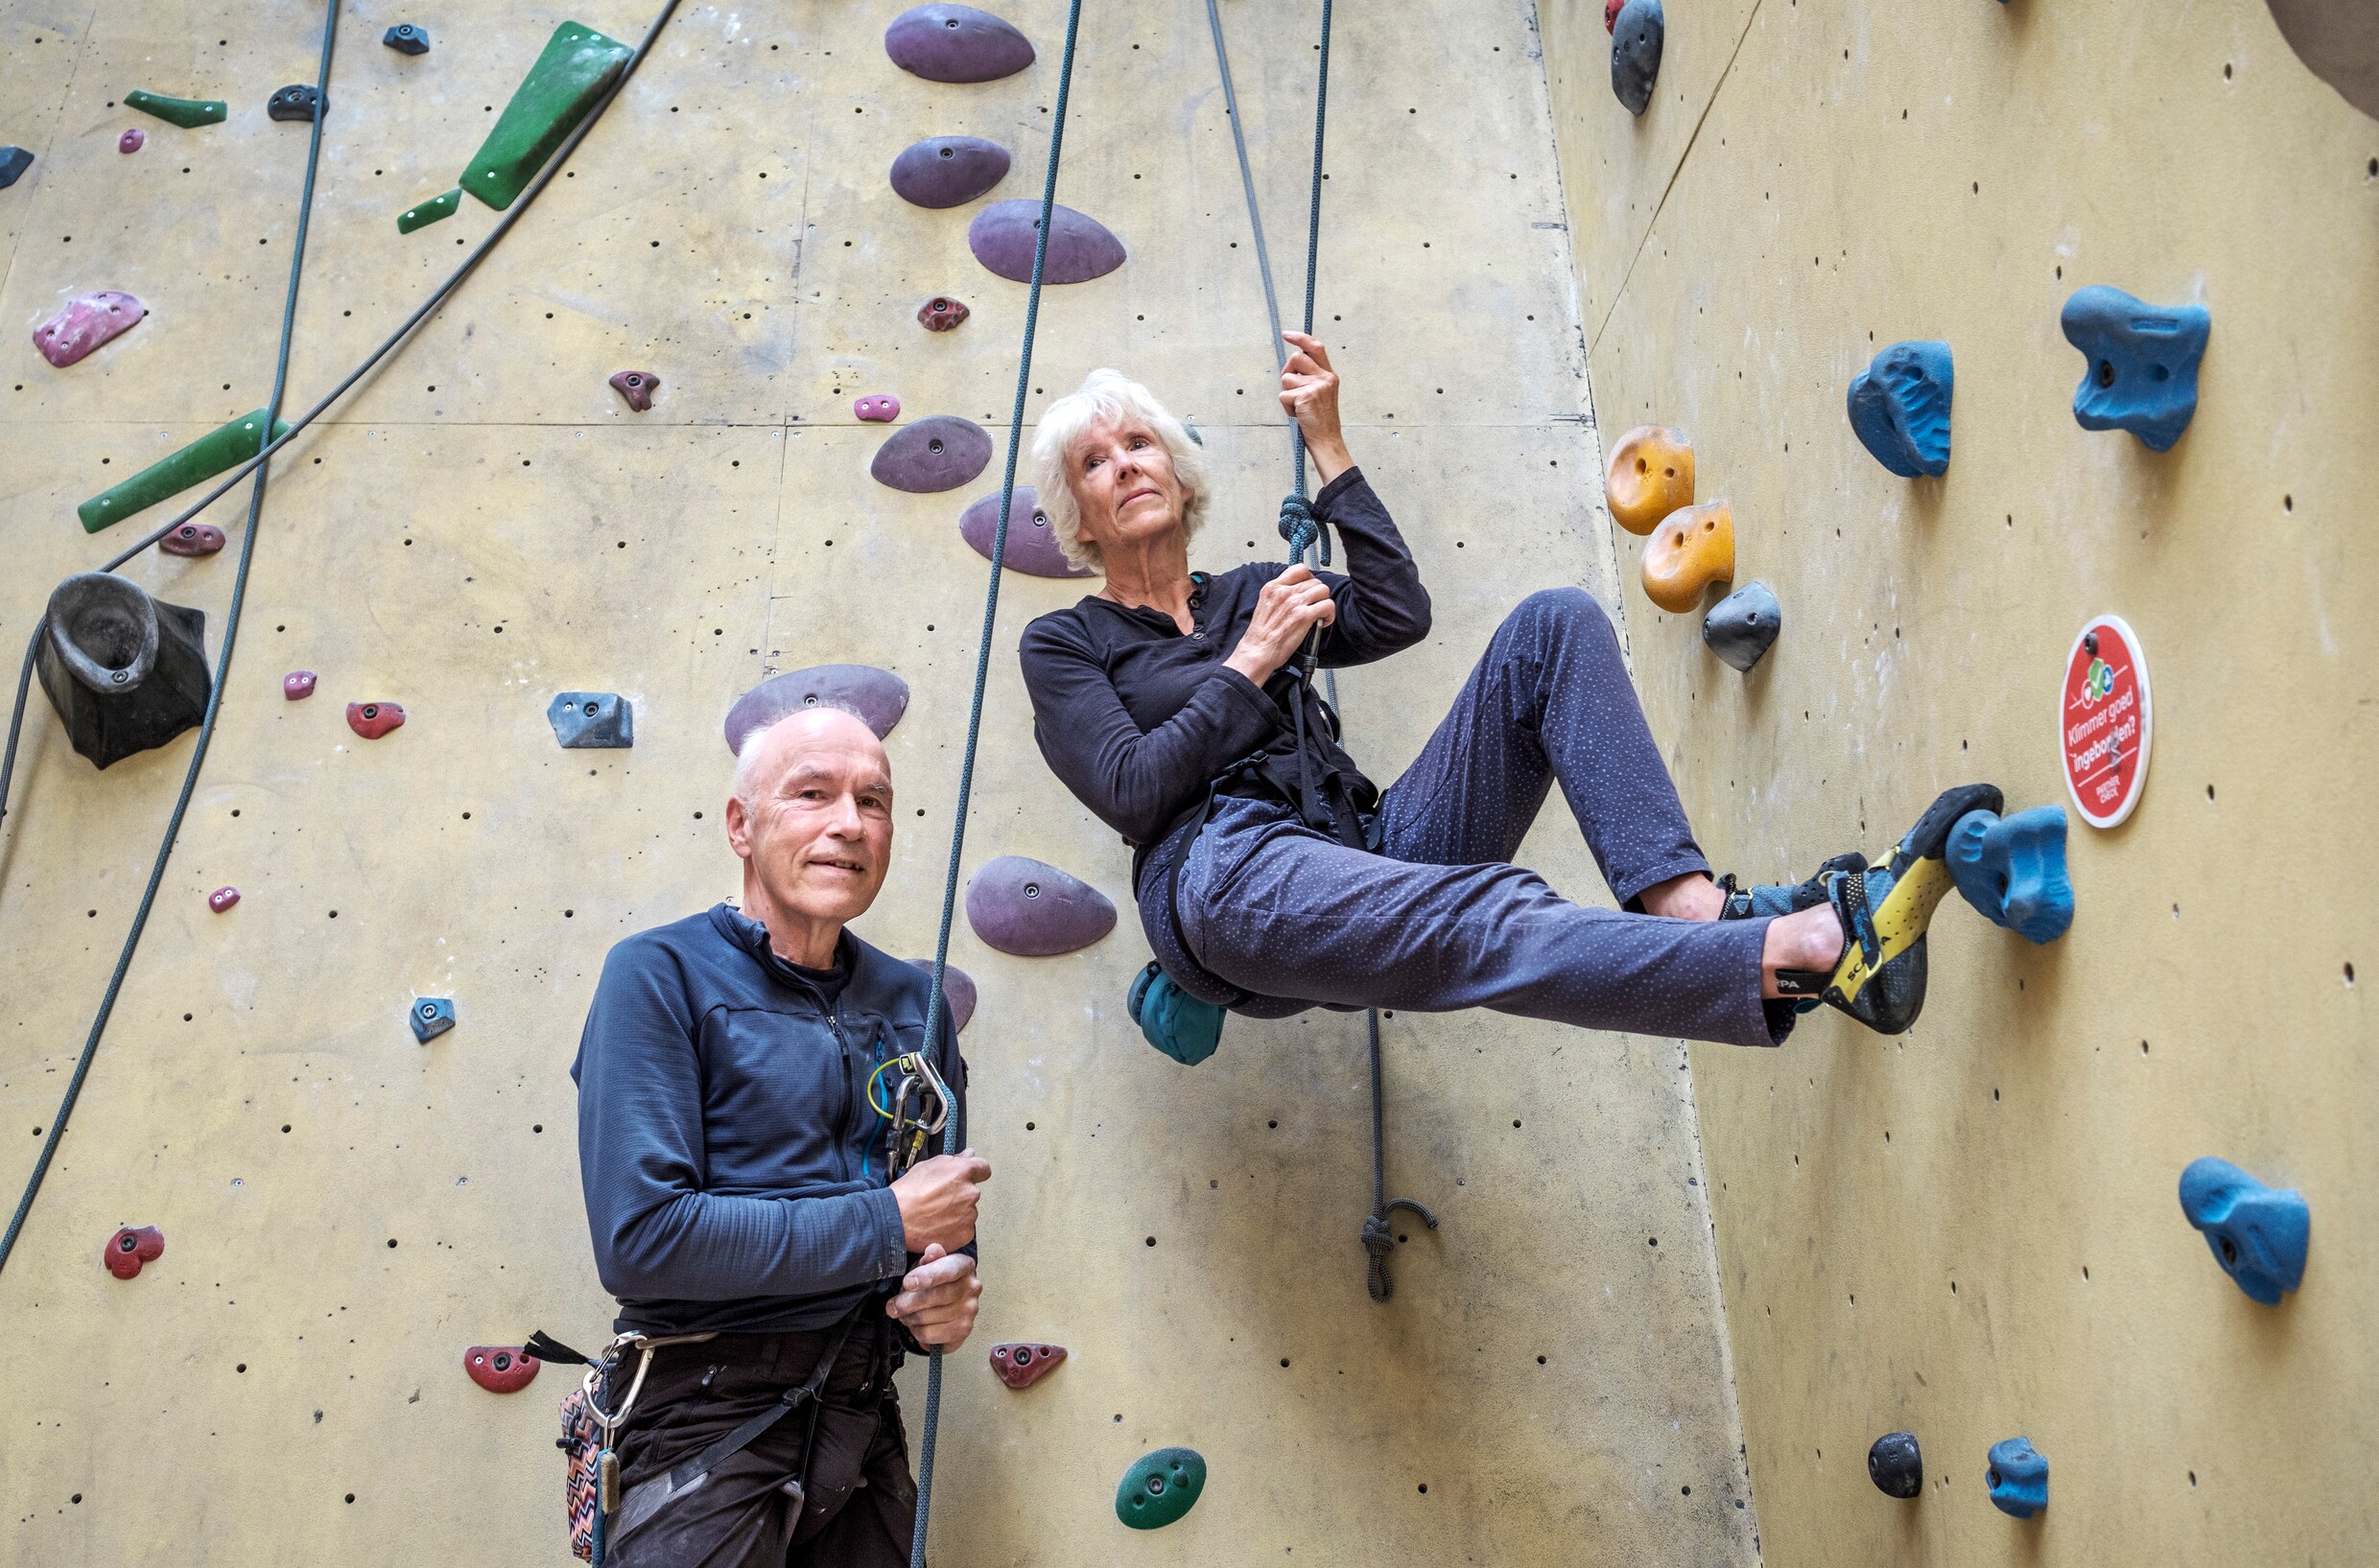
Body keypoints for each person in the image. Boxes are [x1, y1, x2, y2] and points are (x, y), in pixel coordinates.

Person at [1016, 334, 1995, 1054]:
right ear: (1081, 523)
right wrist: (1250, 665)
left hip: (1361, 843)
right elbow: (1134, 790)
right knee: (1485, 913)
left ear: (1180, 481)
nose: (1124, 466)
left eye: (1138, 445)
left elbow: (1396, 611)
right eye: (1093, 464)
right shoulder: (1065, 642)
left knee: (1551, 626)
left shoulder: (1243, 593)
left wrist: (1328, 446)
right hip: (1224, 875)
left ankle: (1694, 909)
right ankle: (1806, 950)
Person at [571, 706, 988, 1568]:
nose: (849, 822)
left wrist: (937, 1301)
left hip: (861, 1420)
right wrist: (886, 1223)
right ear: (741, 825)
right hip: (702, 1420)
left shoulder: (915, 1004)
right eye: (812, 793)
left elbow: (932, 1227)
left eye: (874, 802)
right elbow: (642, 1241)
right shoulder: (658, 975)